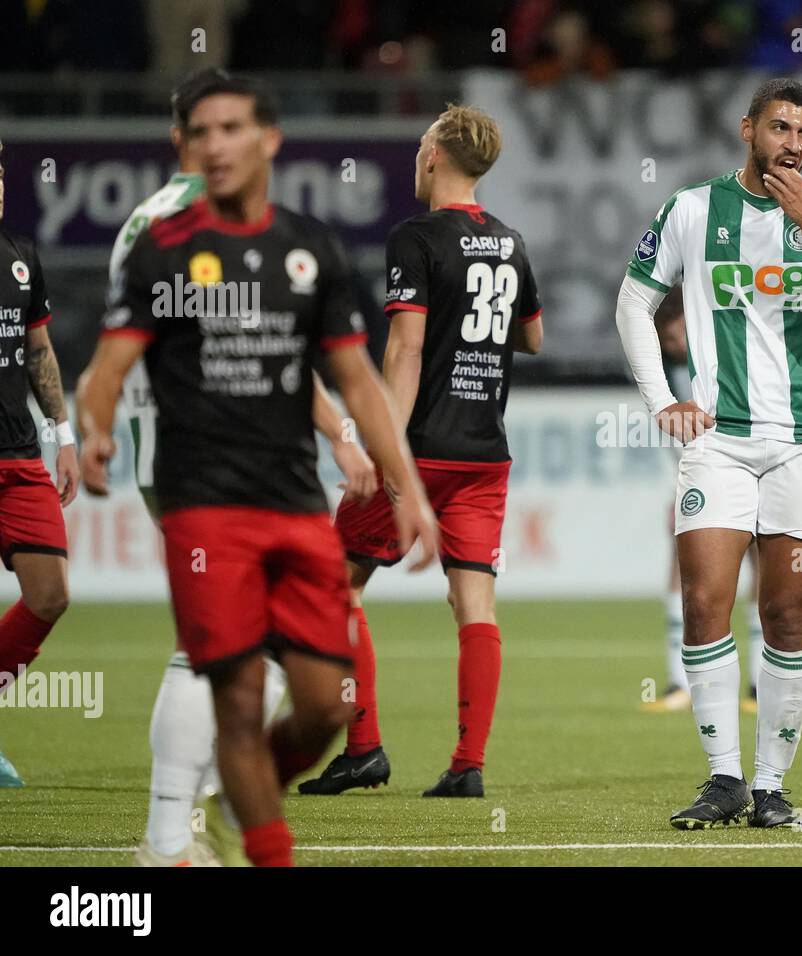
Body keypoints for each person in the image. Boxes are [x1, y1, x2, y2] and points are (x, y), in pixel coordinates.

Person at [77, 71, 437, 866]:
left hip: (293, 498)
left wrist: (399, 478)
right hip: (201, 496)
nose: (215, 145)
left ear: (269, 138)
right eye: (200, 132)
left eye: (230, 128)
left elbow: (355, 378)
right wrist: (91, 424)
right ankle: (184, 840)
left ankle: (240, 801)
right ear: (182, 143)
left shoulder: (308, 248)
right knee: (235, 695)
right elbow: (107, 365)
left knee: (323, 706)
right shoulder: (163, 243)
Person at [615, 78, 802, 829]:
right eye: (780, 128)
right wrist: (661, 401)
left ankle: (771, 786)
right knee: (704, 600)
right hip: (719, 442)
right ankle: (723, 778)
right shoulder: (693, 211)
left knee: (786, 615)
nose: (793, 143)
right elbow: (632, 301)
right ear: (747, 129)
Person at [297, 104, 542, 799]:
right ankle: (468, 766)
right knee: (475, 605)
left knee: (336, 586)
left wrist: (384, 448)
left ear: (435, 153)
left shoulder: (415, 238)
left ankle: (365, 747)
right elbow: (533, 338)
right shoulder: (510, 240)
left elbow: (403, 350)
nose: (414, 156)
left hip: (423, 447)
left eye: (418, 146)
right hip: (484, 453)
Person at [642, 290, 764, 716]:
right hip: (707, 473)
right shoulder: (669, 371)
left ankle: (759, 684)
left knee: (764, 563)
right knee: (685, 561)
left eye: (675, 336)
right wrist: (681, 485)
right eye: (665, 340)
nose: (673, 346)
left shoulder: (742, 345)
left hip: (762, 465)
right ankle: (681, 681)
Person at [0, 137, 80, 788]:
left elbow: (39, 353)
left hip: (20, 454)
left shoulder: (22, 257)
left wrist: (65, 434)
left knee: (50, 596)